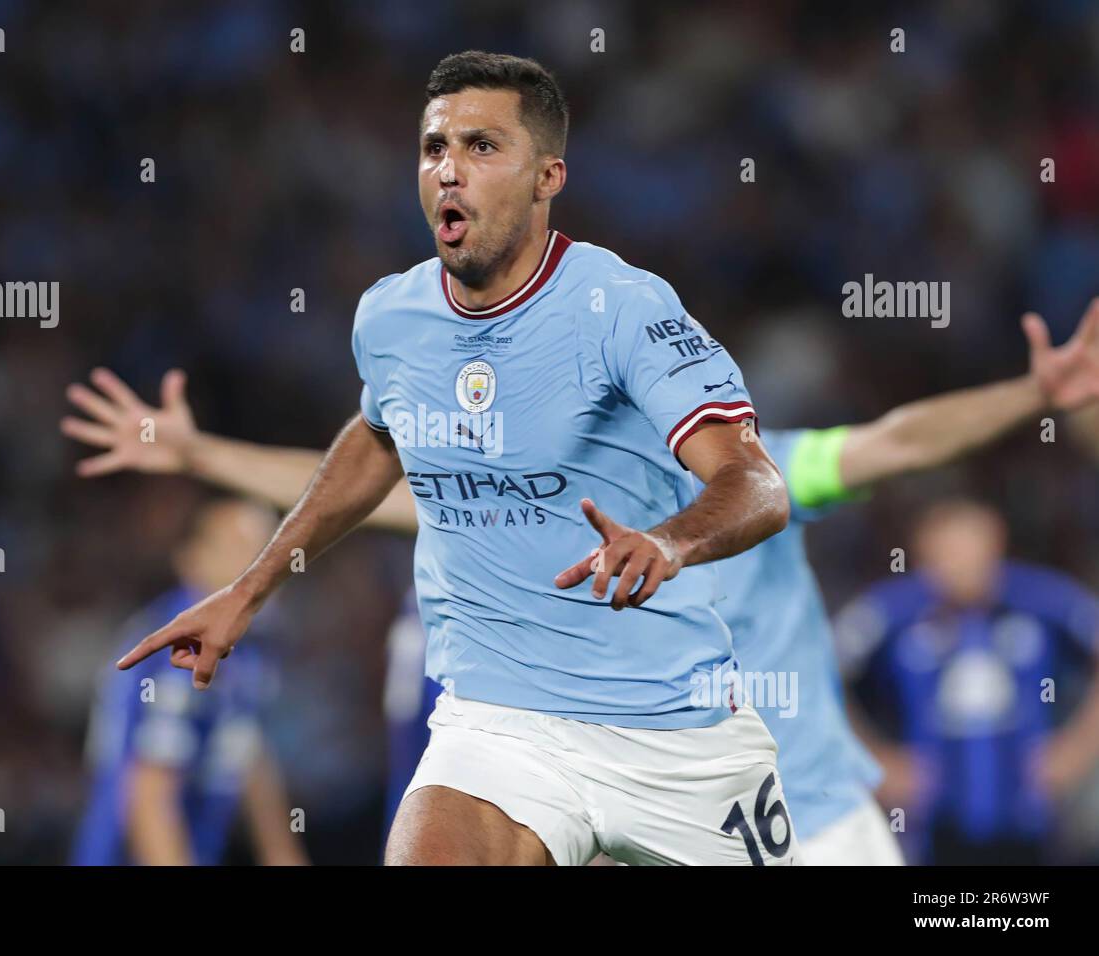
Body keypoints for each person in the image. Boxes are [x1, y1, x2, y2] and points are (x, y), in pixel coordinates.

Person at [78, 51, 800, 867]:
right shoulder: (393, 317)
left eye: (483, 147)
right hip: (500, 725)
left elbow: (756, 484)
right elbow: (379, 436)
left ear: (546, 176)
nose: (449, 170)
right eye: (433, 149)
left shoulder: (622, 309)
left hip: (677, 731)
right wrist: (249, 591)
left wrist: (667, 542)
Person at [64, 296, 1099, 863]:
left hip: (808, 816)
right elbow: (361, 482)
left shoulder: (763, 465)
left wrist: (1028, 394)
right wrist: (206, 456)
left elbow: (899, 439)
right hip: (629, 810)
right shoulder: (544, 496)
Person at [835, 498, 1099, 865]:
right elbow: (821, 674)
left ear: (996, 544)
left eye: (972, 548)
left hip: (1034, 820)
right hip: (929, 826)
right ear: (923, 555)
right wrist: (871, 760)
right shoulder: (889, 612)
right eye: (947, 552)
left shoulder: (1044, 601)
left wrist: (1079, 747)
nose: (962, 564)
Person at [72, 497, 308, 866]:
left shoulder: (250, 645)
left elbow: (246, 751)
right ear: (192, 559)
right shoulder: (179, 649)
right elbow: (148, 797)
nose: (261, 564)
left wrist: (282, 853)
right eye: (240, 548)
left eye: (268, 548)